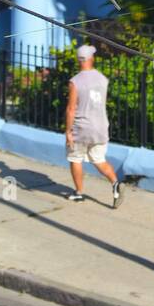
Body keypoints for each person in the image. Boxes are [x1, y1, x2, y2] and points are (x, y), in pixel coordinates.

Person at [65, 43, 123, 208]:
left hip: (81, 128)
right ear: (92, 59)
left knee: (75, 158)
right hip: (100, 126)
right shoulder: (102, 79)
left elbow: (71, 109)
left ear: (79, 60)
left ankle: (79, 193)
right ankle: (115, 184)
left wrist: (68, 131)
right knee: (99, 159)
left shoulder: (75, 82)